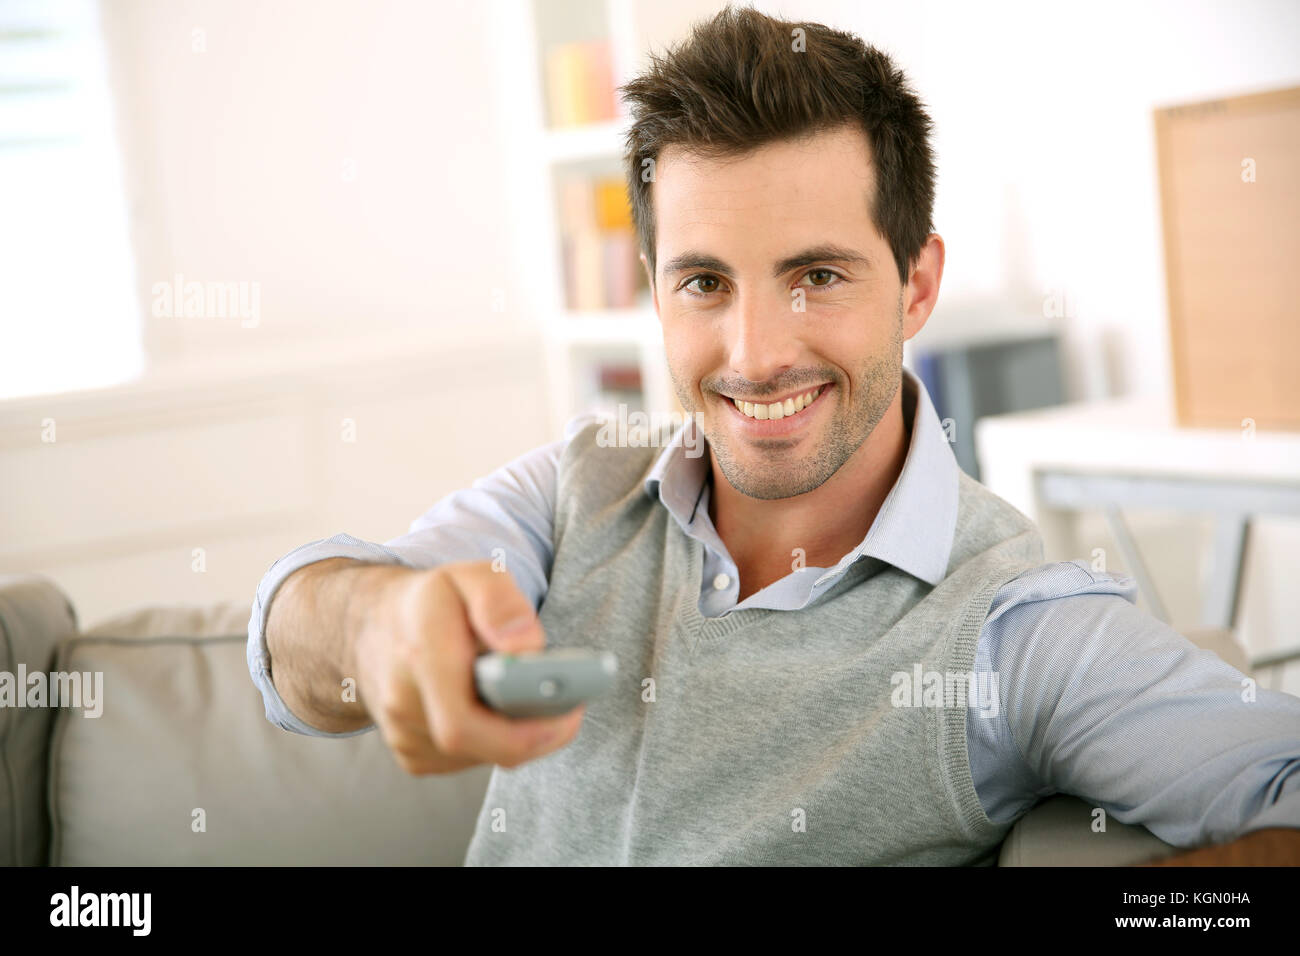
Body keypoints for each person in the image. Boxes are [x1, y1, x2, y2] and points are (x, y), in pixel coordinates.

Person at [247, 5, 1300, 865]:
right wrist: (378, 625)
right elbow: (295, 639)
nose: (753, 353)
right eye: (704, 282)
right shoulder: (575, 492)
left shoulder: (1014, 633)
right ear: (655, 296)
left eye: (817, 275)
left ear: (917, 282)